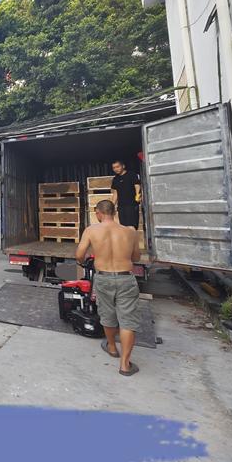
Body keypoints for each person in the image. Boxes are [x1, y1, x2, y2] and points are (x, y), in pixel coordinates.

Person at [76, 200, 142, 376]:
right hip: (125, 278)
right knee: (128, 320)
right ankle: (125, 365)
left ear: (98, 213)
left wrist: (83, 261)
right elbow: (136, 257)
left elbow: (79, 255)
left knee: (107, 314)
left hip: (103, 278)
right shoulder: (130, 231)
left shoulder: (91, 230)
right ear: (114, 212)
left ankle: (112, 347)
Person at [110, 160, 141, 229]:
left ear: (123, 166)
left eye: (117, 167)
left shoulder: (131, 175)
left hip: (131, 205)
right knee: (123, 226)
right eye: (114, 168)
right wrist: (112, 205)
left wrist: (137, 195)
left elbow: (137, 185)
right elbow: (116, 193)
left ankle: (132, 236)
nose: (116, 169)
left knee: (132, 226)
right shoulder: (115, 179)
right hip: (121, 206)